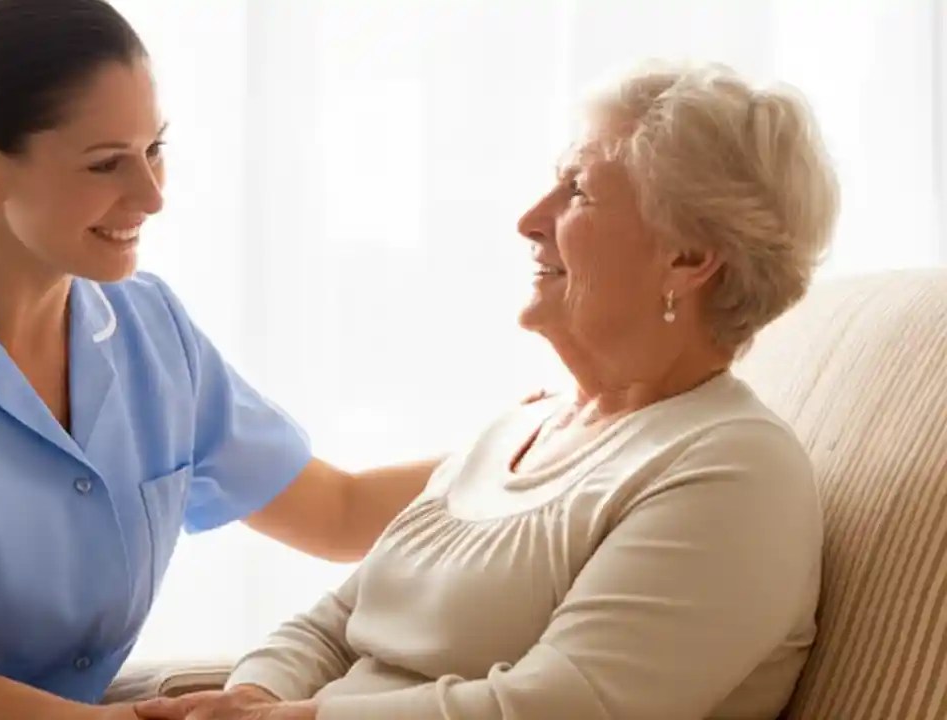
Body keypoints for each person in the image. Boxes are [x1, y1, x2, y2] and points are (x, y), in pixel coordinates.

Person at [0, 2, 439, 718]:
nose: (152, 196)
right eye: (107, 164)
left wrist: (538, 453)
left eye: (155, 150)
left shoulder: (150, 331)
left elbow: (338, 511)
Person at [138, 61, 840, 720]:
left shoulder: (734, 470)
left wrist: (296, 717)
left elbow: (561, 706)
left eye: (579, 190)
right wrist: (253, 697)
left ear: (688, 258)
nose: (530, 219)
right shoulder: (516, 432)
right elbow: (334, 625)